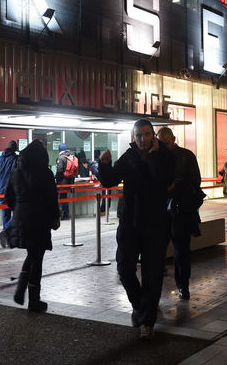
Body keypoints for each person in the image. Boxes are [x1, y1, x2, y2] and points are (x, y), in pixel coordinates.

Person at [96, 119, 174, 340]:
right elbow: (109, 181)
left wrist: (151, 157)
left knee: (153, 274)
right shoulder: (128, 157)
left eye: (147, 134)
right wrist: (104, 165)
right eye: (139, 135)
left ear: (153, 136)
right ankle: (140, 306)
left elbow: (164, 180)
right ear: (134, 136)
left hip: (155, 224)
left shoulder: (163, 156)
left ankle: (147, 322)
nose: (143, 139)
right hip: (130, 222)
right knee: (124, 269)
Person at [3, 139, 60, 313]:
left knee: (32, 254)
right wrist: (54, 218)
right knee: (37, 258)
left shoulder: (15, 172)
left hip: (22, 219)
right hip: (39, 220)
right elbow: (52, 199)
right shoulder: (45, 174)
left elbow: (7, 198)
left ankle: (20, 291)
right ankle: (34, 300)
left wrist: (19, 210)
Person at [157, 127, 203, 300]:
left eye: (166, 143)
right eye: (160, 142)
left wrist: (177, 185)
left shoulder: (186, 156)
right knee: (158, 250)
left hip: (180, 211)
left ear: (174, 139)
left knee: (181, 251)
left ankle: (183, 285)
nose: (163, 146)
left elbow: (195, 182)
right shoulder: (155, 156)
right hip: (162, 211)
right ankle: (159, 287)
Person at [0, 140, 19, 248]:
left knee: (5, 214)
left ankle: (6, 238)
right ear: (15, 149)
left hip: (2, 191)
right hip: (14, 191)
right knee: (18, 213)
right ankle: (5, 232)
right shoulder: (15, 159)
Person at [55, 143, 78, 220]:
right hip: (69, 182)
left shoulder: (61, 158)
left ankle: (60, 215)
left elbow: (60, 170)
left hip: (62, 183)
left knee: (61, 198)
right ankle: (66, 214)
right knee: (65, 198)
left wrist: (56, 177)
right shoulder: (70, 157)